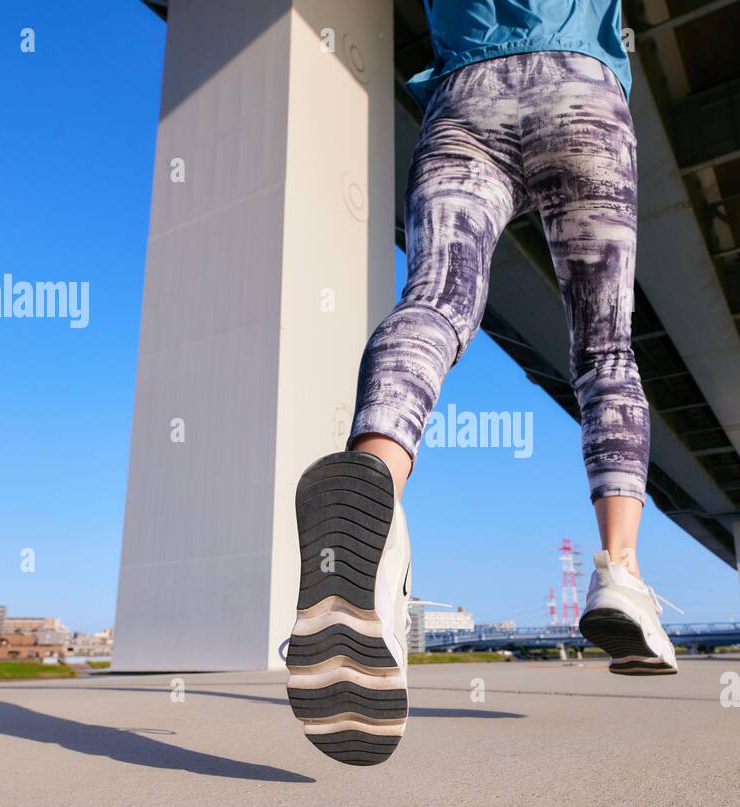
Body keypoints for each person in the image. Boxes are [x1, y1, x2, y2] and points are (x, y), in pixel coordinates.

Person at [285, 0, 678, 767]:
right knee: (605, 351)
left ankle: (374, 494)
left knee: (434, 300)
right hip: (581, 89)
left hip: (463, 103)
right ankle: (621, 574)